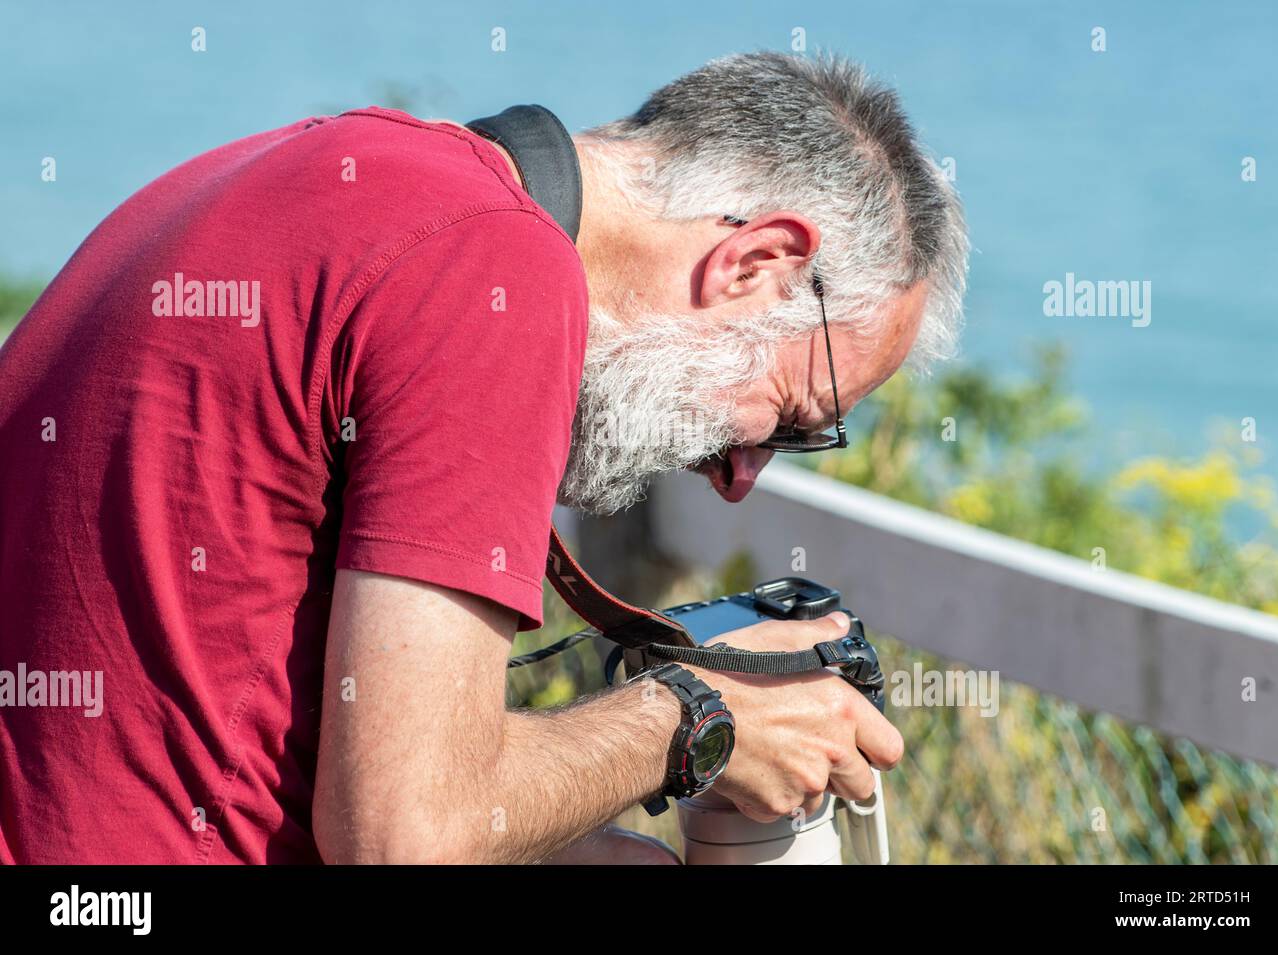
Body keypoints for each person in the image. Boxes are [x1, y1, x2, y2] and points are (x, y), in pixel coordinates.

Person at [0, 52, 967, 864]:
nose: (740, 478)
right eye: (790, 419)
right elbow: (404, 835)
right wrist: (700, 716)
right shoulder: (495, 274)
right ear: (754, 263)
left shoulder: (324, 164)